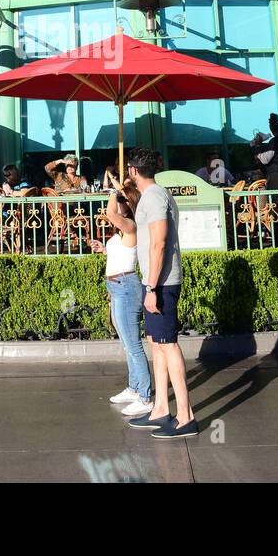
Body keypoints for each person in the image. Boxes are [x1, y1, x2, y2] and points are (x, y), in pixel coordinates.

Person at [125, 147, 196, 439]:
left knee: (167, 344)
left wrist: (152, 287)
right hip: (154, 280)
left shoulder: (154, 196)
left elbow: (159, 242)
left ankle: (186, 417)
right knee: (155, 342)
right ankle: (160, 410)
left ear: (132, 170)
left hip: (162, 282)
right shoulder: (152, 196)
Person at [90, 181, 152, 418]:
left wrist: (114, 194)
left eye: (123, 200)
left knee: (134, 345)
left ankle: (145, 396)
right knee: (127, 343)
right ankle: (135, 388)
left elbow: (109, 213)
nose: (119, 203)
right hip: (117, 286)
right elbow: (120, 252)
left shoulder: (131, 226)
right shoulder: (122, 231)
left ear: (129, 204)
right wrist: (102, 250)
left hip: (126, 287)